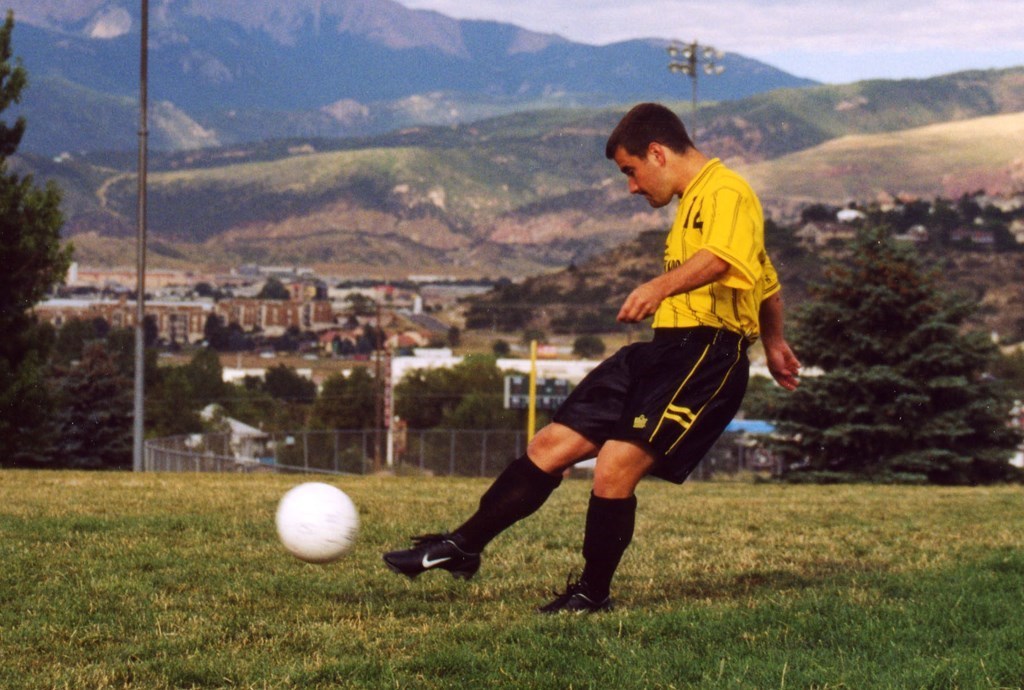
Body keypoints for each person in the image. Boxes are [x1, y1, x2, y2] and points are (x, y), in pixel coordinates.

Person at [383, 102, 801, 613]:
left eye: (631, 171)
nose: (632, 187)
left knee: (614, 466)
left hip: (706, 356)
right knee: (550, 445)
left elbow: (723, 260)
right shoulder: (696, 200)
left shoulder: (727, 191)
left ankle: (591, 592)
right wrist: (775, 343)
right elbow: (765, 281)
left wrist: (658, 287)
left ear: (657, 153)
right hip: (664, 350)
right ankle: (461, 546)